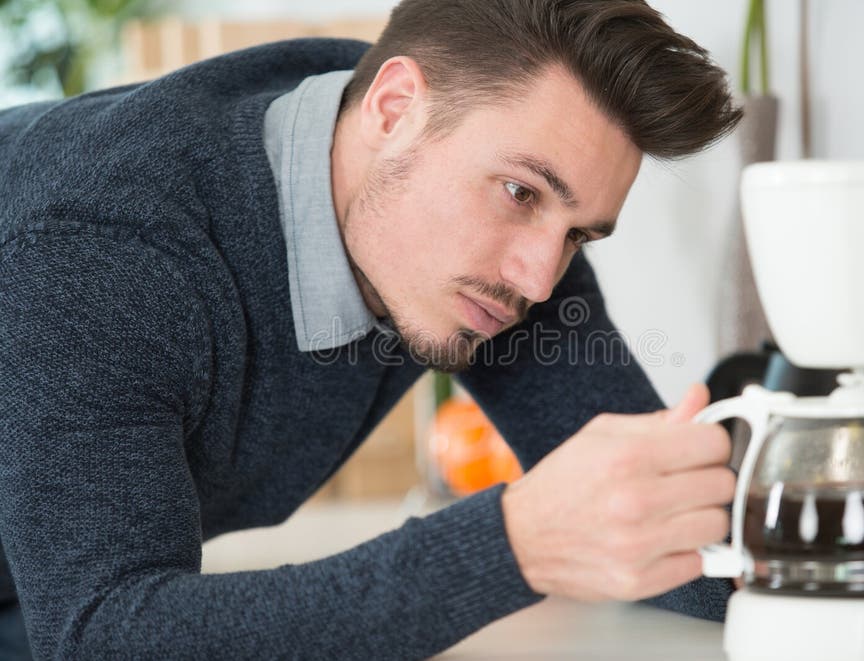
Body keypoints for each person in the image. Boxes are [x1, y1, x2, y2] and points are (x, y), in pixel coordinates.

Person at [0, 0, 743, 658]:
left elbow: (673, 532)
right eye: (520, 193)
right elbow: (105, 635)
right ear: (392, 110)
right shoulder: (101, 249)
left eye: (579, 232)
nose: (539, 279)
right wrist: (512, 546)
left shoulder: (485, 222)